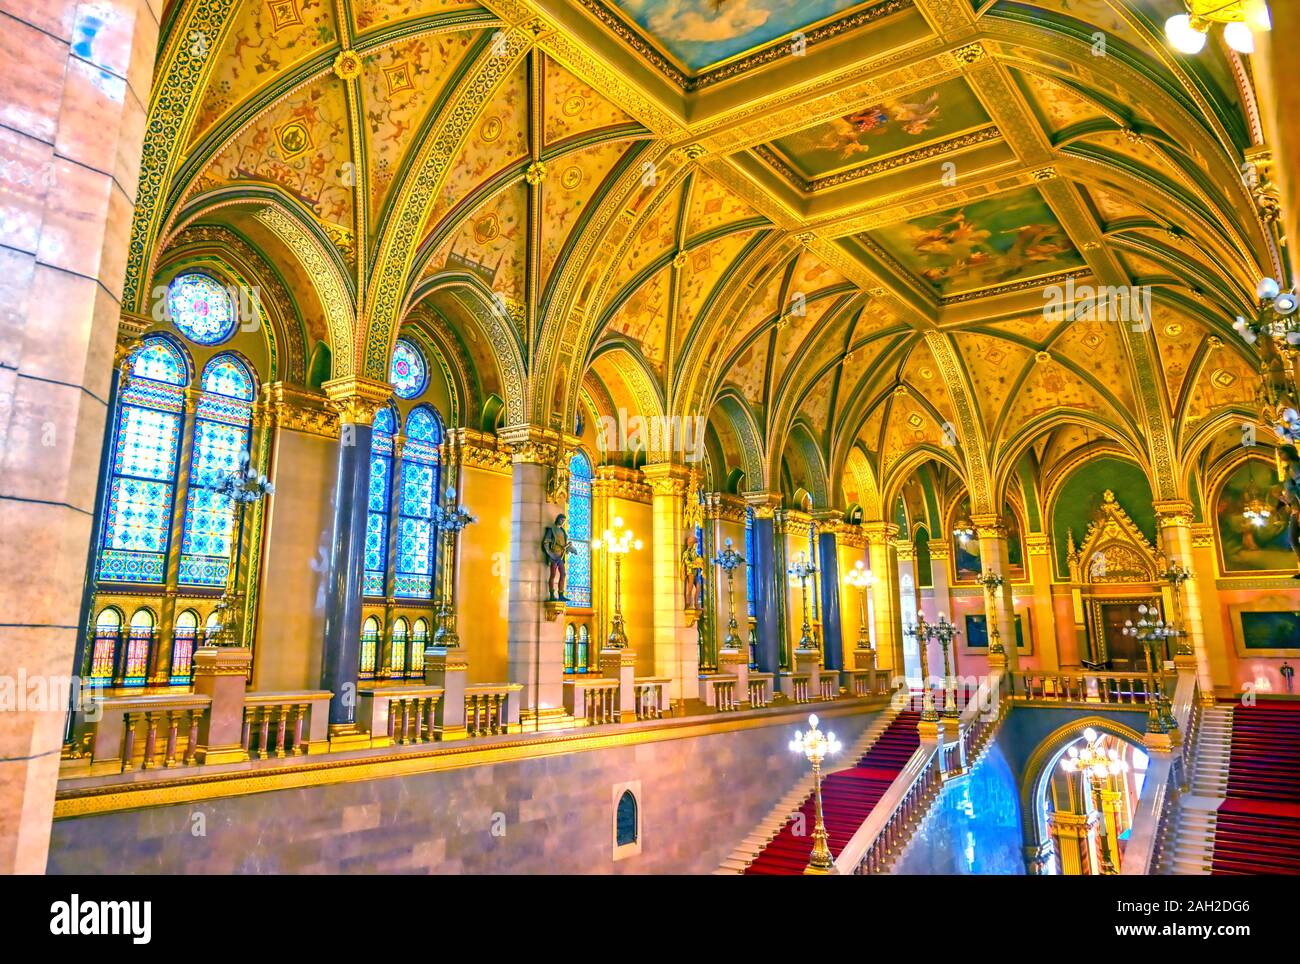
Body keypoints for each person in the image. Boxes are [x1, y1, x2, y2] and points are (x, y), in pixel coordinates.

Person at [1277, 445, 1300, 578]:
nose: (1279, 456)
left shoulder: (1296, 466)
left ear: (1288, 453)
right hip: (1295, 508)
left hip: (1298, 508)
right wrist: (1286, 499)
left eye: (1281, 453)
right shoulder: (1288, 469)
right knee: (1292, 539)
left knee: (1293, 538)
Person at [543, 513, 571, 600]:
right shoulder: (552, 529)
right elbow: (546, 542)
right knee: (553, 574)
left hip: (561, 556)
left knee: (563, 574)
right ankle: (551, 594)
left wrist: (568, 545)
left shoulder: (563, 531)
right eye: (561, 520)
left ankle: (561, 594)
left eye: (564, 521)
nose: (562, 522)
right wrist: (549, 553)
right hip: (554, 555)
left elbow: (564, 543)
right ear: (558, 519)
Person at [681, 533, 704, 610]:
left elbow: (699, 559)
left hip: (695, 572)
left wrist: (700, 563)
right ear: (691, 543)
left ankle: (696, 603)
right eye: (695, 543)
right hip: (690, 572)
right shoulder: (686, 553)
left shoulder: (695, 553)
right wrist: (696, 564)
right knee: (690, 588)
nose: (696, 545)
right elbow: (687, 562)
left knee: (698, 586)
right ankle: (688, 603)